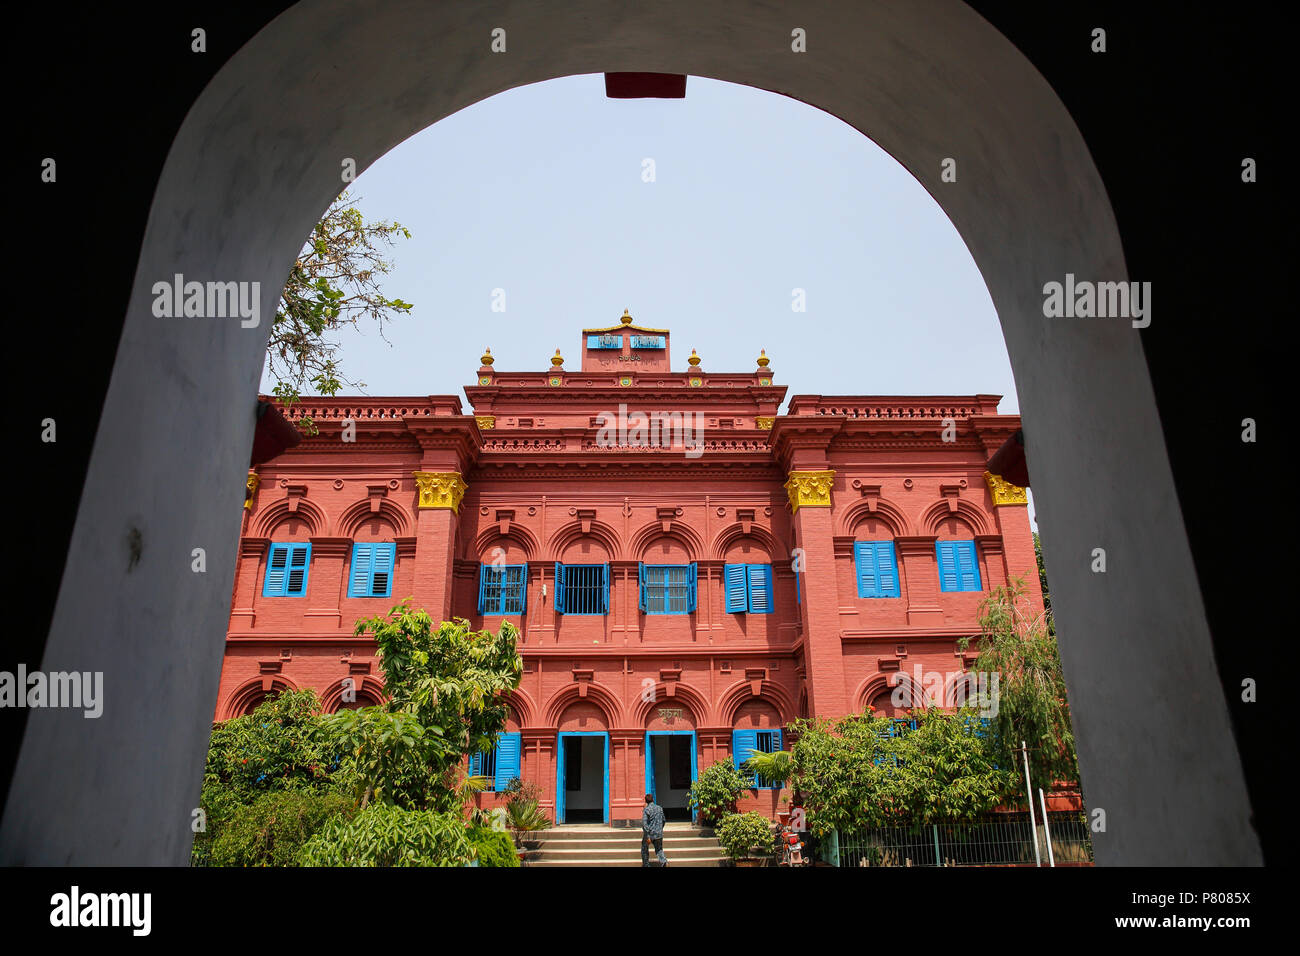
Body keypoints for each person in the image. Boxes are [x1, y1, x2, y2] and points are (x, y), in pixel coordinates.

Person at [641, 792, 666, 867]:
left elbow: (644, 824)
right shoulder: (659, 808)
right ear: (653, 800)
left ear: (645, 801)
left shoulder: (646, 810)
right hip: (659, 833)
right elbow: (664, 820)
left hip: (650, 834)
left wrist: (648, 836)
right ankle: (663, 861)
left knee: (644, 849)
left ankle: (646, 864)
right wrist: (660, 829)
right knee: (659, 849)